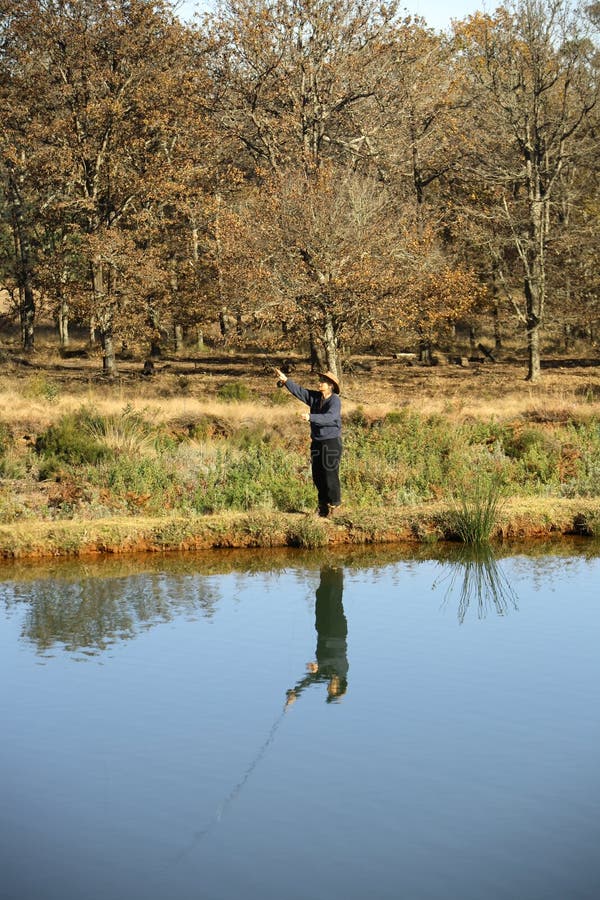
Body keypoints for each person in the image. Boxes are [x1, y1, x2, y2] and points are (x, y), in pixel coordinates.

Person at [274, 366, 342, 517]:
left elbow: (330, 417)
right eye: (320, 380)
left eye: (323, 381)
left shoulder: (335, 401)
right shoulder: (315, 397)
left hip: (331, 442)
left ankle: (335, 506)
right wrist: (285, 380)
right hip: (317, 441)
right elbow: (300, 391)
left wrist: (311, 417)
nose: (320, 382)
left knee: (330, 474)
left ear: (330, 385)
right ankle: (323, 506)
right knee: (317, 474)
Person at [285, 566, 348, 706]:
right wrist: (319, 665)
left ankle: (327, 571)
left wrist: (296, 693)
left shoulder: (324, 675)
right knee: (333, 598)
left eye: (329, 692)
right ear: (338, 686)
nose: (328, 689)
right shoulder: (343, 670)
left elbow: (310, 681)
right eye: (331, 691)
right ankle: (335, 570)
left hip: (323, 631)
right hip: (336, 630)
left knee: (320, 599)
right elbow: (332, 660)